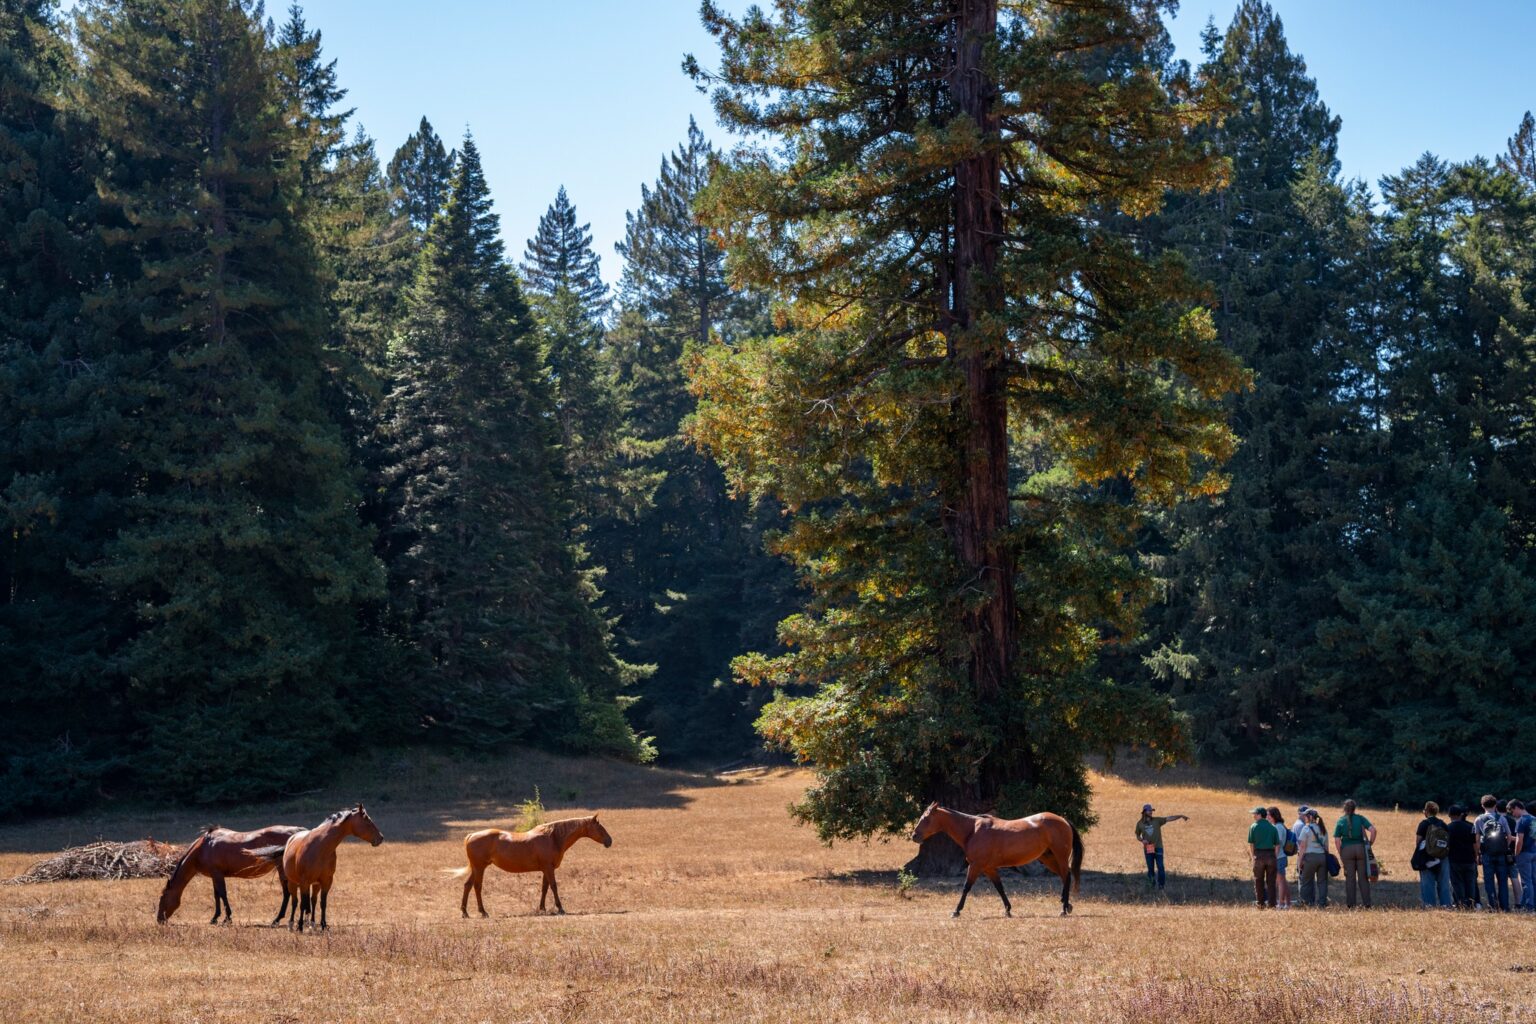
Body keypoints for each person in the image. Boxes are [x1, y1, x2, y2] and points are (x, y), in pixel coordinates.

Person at [1334, 798, 1376, 909]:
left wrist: (1341, 853)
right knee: (1363, 878)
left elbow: (1337, 840)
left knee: (1350, 879)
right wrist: (1369, 844)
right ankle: (1367, 904)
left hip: (1347, 850)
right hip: (1361, 849)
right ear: (1354, 809)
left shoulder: (1340, 821)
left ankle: (1351, 905)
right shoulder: (1361, 818)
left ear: (1344, 809)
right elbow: (1373, 830)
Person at [1134, 804, 1187, 890]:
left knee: (1161, 867)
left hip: (1158, 847)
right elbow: (1137, 835)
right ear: (1144, 812)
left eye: (1151, 811)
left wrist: (1180, 816)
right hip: (1148, 848)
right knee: (1150, 868)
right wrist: (1142, 840)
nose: (1151, 812)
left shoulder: (1157, 820)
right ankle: (1151, 885)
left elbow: (1169, 818)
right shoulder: (1139, 824)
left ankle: (1161, 886)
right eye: (1149, 811)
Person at [1476, 794, 1512, 912]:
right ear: (1495, 805)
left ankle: (1493, 906)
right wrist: (1505, 848)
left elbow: (1476, 839)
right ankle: (1505, 907)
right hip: (1501, 854)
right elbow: (1509, 836)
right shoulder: (1502, 818)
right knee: (1502, 881)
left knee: (1489, 881)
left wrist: (1478, 854)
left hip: (1487, 854)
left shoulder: (1479, 819)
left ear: (1482, 806)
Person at [1413, 801, 1452, 908]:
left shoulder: (1424, 824)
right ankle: (1446, 904)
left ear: (1426, 812)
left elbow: (1418, 841)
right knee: (1443, 882)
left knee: (1427, 882)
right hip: (1442, 856)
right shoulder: (1443, 824)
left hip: (1427, 856)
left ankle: (1429, 904)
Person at [1445, 804, 1479, 909]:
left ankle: (1460, 904)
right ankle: (1471, 903)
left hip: (1454, 860)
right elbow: (1475, 844)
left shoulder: (1448, 828)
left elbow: (1447, 846)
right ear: (1461, 814)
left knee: (1457, 883)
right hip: (1469, 859)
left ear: (1449, 815)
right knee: (1470, 882)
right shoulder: (1470, 827)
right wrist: (1476, 856)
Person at [1295, 808, 1330, 908]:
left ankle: (1306, 903)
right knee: (1322, 882)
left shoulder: (1306, 829)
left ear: (1310, 817)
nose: (1304, 818)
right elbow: (1327, 847)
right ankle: (1322, 903)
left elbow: (1302, 847)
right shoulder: (1323, 829)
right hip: (1322, 857)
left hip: (1310, 858)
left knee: (1306, 881)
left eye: (1306, 816)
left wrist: (1299, 861)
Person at [1248, 805, 1280, 909]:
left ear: (1260, 815)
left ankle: (1260, 904)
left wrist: (1253, 857)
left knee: (1258, 881)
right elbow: (1277, 844)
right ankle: (1272, 904)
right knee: (1271, 881)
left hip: (1259, 855)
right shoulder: (1273, 827)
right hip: (1271, 855)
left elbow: (1251, 844)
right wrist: (1274, 856)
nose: (1253, 816)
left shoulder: (1253, 826)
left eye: (1255, 814)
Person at [1512, 800, 1536, 912]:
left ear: (1517, 807)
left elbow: (1519, 841)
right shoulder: (1534, 819)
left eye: (1512, 811)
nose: (1512, 814)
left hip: (1524, 853)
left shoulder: (1521, 820)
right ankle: (1532, 903)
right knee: (1533, 879)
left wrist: (1516, 854)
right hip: (1533, 852)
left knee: (1526, 881)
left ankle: (1528, 906)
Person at [1268, 807, 1293, 909]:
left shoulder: (1277, 827)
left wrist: (1274, 857)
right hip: (1281, 857)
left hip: (1279, 857)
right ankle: (1288, 902)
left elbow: (1278, 844)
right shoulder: (1278, 826)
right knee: (1283, 880)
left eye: (1269, 815)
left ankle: (1281, 904)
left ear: (1274, 815)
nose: (1267, 817)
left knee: (1280, 881)